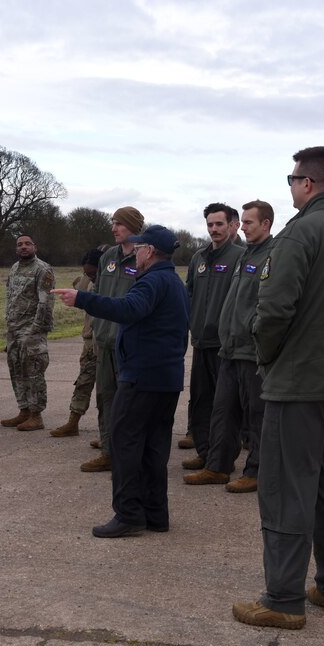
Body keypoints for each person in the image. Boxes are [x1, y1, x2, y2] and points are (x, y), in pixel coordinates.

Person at [233, 146, 324, 631]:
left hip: (299, 383)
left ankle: (282, 598)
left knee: (285, 488)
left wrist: (267, 358)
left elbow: (273, 310)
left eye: (292, 179)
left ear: (308, 183)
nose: (290, 187)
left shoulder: (299, 232)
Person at [52, 225, 190, 538]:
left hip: (142, 378)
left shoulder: (152, 280)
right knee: (154, 447)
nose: (135, 252)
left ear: (149, 251)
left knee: (124, 443)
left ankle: (128, 514)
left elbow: (128, 309)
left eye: (139, 247)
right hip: (166, 379)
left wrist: (83, 298)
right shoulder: (173, 281)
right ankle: (155, 513)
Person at [186, 200, 274, 492]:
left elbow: (271, 304)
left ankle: (258, 471)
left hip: (251, 350)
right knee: (223, 411)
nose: (244, 228)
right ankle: (218, 466)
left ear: (266, 224)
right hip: (229, 348)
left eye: (248, 223)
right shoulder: (247, 255)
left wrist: (253, 331)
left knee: (257, 415)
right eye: (244, 222)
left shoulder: (271, 256)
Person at [181, 203, 244, 469]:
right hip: (201, 343)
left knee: (225, 407)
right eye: (210, 224)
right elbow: (190, 293)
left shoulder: (241, 257)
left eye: (219, 224)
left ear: (231, 225)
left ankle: (221, 461)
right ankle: (205, 453)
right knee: (201, 402)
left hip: (225, 345)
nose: (214, 229)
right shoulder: (198, 258)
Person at [82, 207, 145, 472]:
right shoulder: (108, 255)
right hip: (104, 341)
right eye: (113, 223)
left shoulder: (145, 256)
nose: (113, 228)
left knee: (131, 404)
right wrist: (96, 330)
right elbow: (97, 294)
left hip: (130, 344)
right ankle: (108, 452)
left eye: (118, 223)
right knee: (105, 398)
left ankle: (130, 456)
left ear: (132, 226)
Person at [0, 234, 55, 432]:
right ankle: (23, 410)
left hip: (31, 330)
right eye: (19, 245)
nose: (23, 247)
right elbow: (10, 297)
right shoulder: (14, 268)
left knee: (33, 372)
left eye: (27, 244)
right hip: (14, 329)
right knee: (16, 370)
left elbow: (45, 302)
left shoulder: (43, 269)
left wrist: (36, 329)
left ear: (35, 247)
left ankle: (36, 415)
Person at [51, 249, 103, 437]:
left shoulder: (113, 281)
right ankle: (73, 421)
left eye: (94, 273)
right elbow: (79, 290)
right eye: (87, 273)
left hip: (108, 340)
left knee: (108, 390)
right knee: (83, 381)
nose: (91, 276)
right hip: (90, 338)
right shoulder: (87, 282)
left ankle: (108, 433)